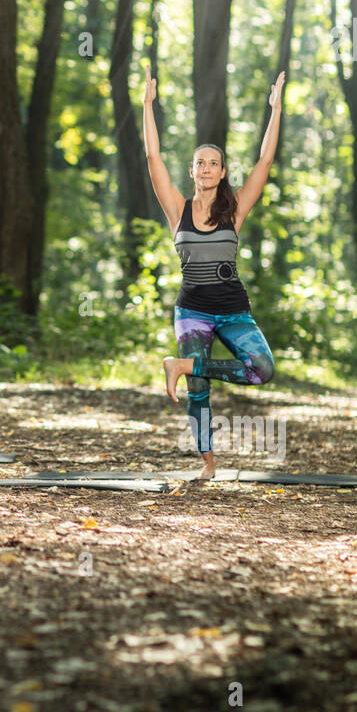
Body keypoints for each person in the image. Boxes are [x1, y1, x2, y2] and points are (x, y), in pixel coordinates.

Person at [142, 66, 284, 478]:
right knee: (199, 391)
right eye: (199, 162)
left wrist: (274, 109)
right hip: (192, 313)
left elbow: (266, 159)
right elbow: (153, 157)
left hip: (234, 311)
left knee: (262, 369)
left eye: (213, 163)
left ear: (223, 173)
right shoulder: (177, 209)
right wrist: (147, 105)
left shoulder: (234, 210)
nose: (205, 167)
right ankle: (208, 465)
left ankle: (182, 365)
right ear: (191, 172)